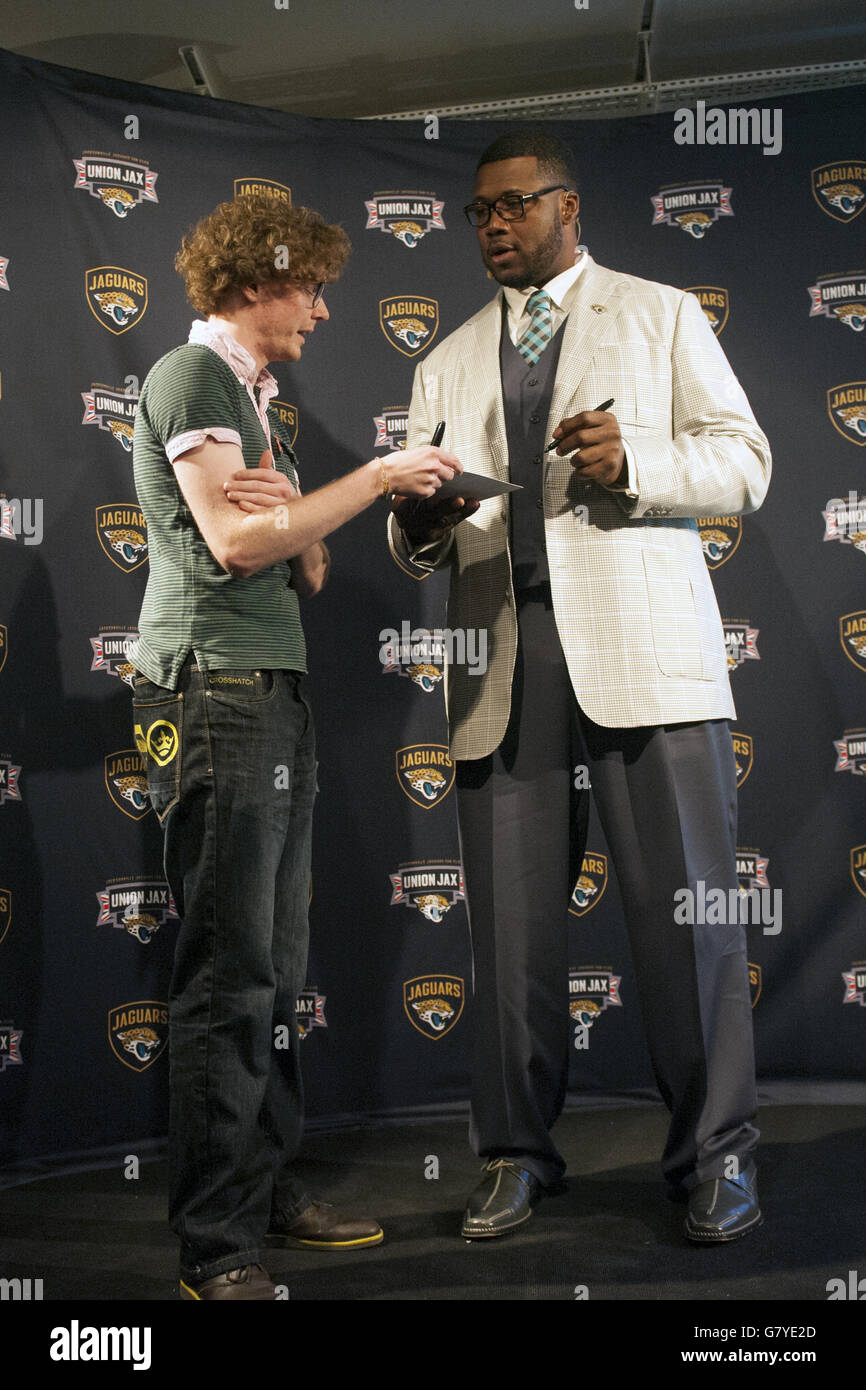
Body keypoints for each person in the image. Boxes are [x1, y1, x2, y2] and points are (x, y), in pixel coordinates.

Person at [389, 131, 771, 1244]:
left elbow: (743, 462)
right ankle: (513, 1155)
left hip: (644, 657)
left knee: (687, 921)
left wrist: (635, 464)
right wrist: (416, 520)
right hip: (505, 666)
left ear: (565, 206)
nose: (492, 227)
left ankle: (716, 1155)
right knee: (508, 937)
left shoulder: (657, 314)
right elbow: (414, 534)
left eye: (511, 207)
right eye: (477, 213)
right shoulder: (448, 357)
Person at [131, 194, 461, 1299]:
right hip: (214, 691)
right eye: (307, 287)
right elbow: (233, 542)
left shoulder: (254, 401)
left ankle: (266, 1195)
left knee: (269, 974)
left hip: (268, 691)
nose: (322, 310)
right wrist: (367, 482)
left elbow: (294, 561)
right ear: (250, 285)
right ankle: (217, 1249)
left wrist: (302, 530)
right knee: (229, 979)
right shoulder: (193, 380)